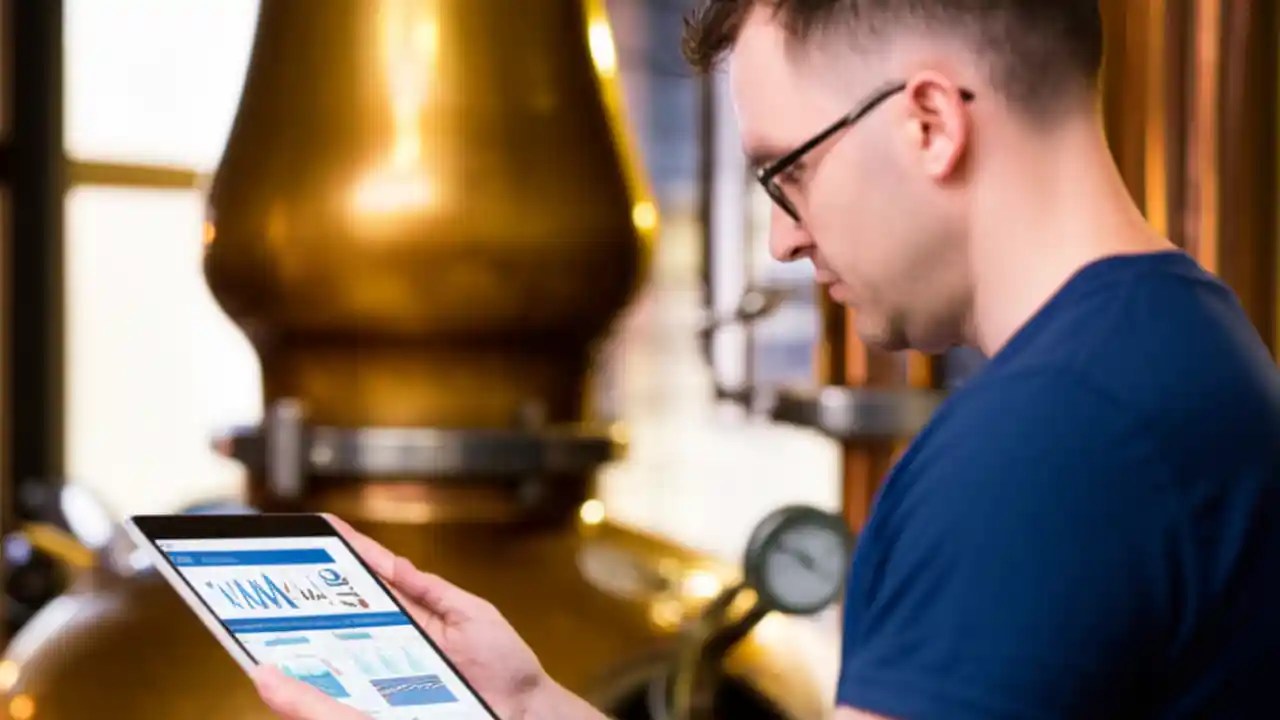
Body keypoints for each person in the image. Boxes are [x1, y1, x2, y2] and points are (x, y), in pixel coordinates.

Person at [254, 0, 1280, 718]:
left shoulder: (1043, 443)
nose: (785, 239)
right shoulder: (1182, 341)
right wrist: (527, 707)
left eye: (784, 173)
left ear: (928, 120)